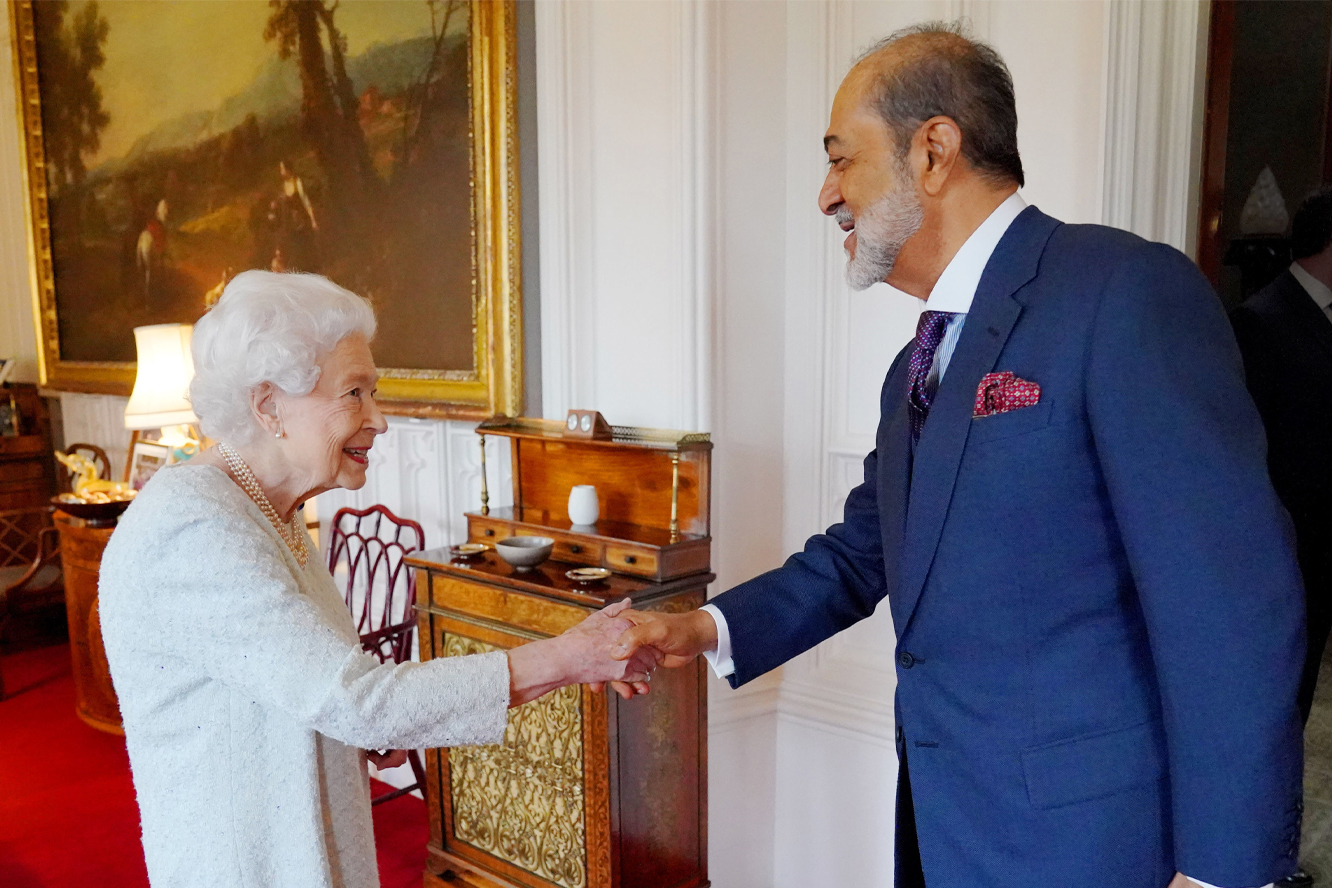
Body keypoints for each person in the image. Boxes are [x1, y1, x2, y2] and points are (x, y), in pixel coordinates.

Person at [603, 23, 1305, 888]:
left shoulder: (1125, 293)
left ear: (933, 149)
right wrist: (700, 629)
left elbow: (1231, 605)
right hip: (945, 832)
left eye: (840, 159)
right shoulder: (917, 364)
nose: (825, 195)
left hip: (1097, 850)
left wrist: (1223, 873)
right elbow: (863, 552)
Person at [99, 270, 659, 888]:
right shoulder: (196, 528)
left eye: (374, 392)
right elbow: (358, 700)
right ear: (268, 407)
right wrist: (570, 656)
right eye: (355, 394)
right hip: (245, 861)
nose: (380, 420)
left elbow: (304, 686)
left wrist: (355, 733)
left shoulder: (269, 512)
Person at [1233, 187, 1332, 726]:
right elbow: (1246, 448)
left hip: (1322, 546)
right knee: (1282, 699)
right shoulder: (1260, 321)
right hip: (1291, 547)